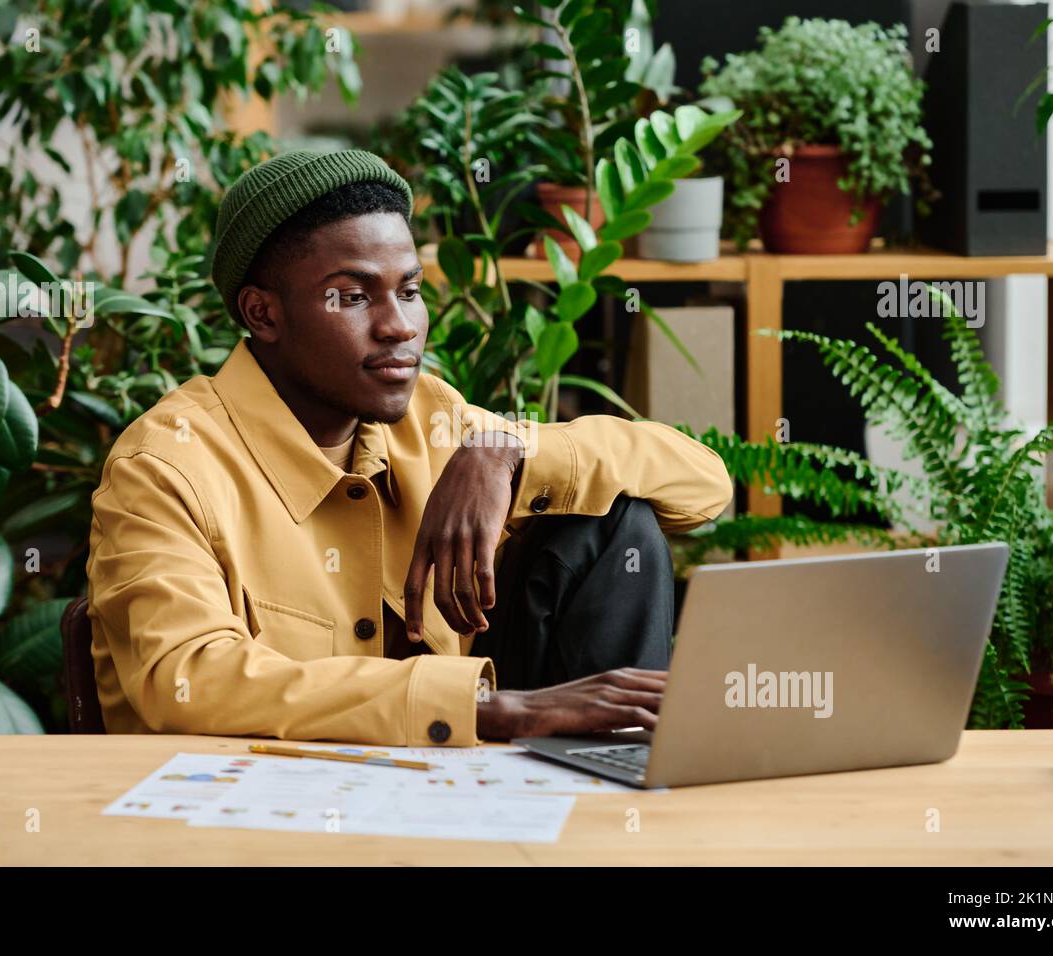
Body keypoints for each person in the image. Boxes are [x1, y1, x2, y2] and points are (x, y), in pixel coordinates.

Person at [86, 149, 732, 745]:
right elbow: (190, 680)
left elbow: (704, 487)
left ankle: (615, 791)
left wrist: (505, 452)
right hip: (248, 818)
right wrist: (491, 709)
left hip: (440, 804)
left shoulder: (434, 419)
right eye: (355, 295)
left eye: (412, 290)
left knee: (617, 524)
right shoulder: (166, 467)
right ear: (263, 314)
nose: (399, 326)